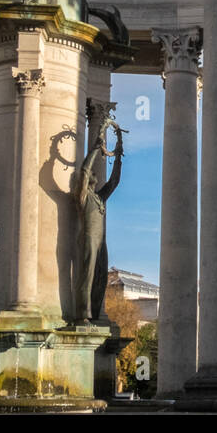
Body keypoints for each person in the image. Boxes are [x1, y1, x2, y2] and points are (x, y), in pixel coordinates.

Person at [73, 119, 124, 321]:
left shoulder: (99, 197)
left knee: (101, 277)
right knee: (87, 275)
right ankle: (83, 314)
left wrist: (118, 156)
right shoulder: (83, 196)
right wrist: (96, 148)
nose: (93, 174)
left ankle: (94, 313)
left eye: (95, 174)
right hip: (88, 237)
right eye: (92, 175)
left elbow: (114, 181)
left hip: (100, 240)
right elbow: (85, 171)